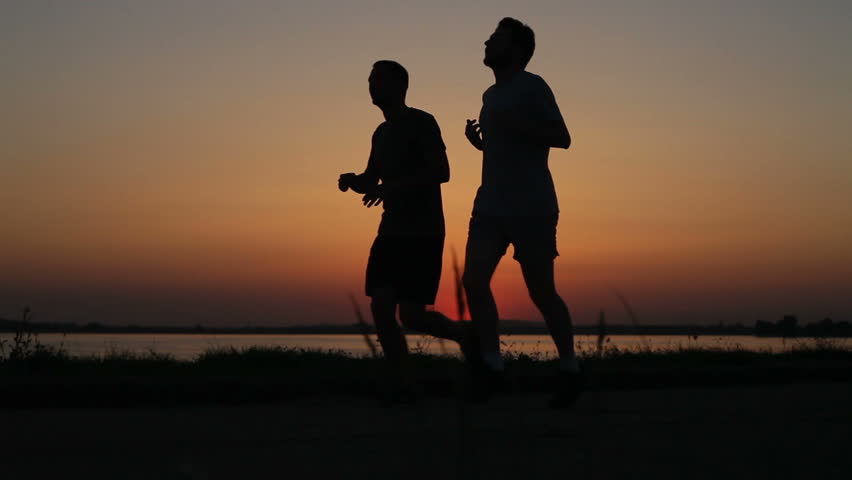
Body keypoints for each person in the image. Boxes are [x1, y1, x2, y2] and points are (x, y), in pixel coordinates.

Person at [462, 18, 582, 407]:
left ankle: (569, 369)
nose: (486, 41)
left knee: (541, 291)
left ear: (515, 49)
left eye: (495, 38)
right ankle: (493, 366)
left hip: (532, 206)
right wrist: (483, 143)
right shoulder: (489, 95)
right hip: (490, 205)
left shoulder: (533, 86)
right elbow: (509, 144)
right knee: (474, 282)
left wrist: (516, 125)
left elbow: (561, 137)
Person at [339, 60, 474, 399]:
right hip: (391, 232)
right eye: (369, 80)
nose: (370, 85)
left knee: (412, 316)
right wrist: (354, 181)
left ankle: (467, 338)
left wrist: (390, 188)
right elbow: (373, 179)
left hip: (423, 232)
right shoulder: (381, 133)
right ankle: (405, 384)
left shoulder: (422, 122)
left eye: (377, 80)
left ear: (399, 85)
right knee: (382, 308)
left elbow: (441, 172)